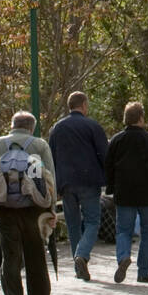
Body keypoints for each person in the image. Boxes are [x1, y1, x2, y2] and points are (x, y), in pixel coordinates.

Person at [0, 111, 57, 295]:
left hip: (6, 209)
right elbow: (50, 178)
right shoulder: (39, 145)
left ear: (12, 125)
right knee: (36, 255)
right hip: (34, 208)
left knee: (11, 256)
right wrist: (50, 209)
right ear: (31, 127)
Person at [105, 101, 148, 284]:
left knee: (123, 231)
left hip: (124, 192)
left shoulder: (116, 140)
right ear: (141, 118)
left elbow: (109, 167)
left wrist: (111, 188)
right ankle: (144, 272)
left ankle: (123, 257)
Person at [48, 90, 108, 281]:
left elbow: (51, 157)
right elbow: (104, 154)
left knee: (73, 224)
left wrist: (55, 185)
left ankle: (77, 265)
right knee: (92, 221)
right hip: (88, 181)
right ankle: (81, 255)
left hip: (65, 182)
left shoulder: (57, 128)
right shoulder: (92, 126)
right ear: (83, 105)